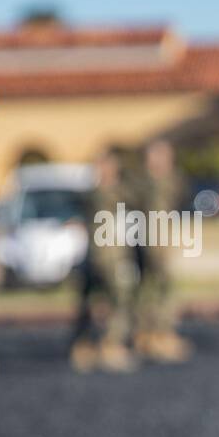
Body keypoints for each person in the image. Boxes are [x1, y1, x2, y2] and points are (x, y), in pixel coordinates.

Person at [70, 147, 136, 373]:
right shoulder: (100, 193)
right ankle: (107, 345)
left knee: (102, 299)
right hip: (104, 256)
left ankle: (93, 344)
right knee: (113, 298)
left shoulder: (110, 192)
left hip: (110, 253)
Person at [132, 139, 191, 363]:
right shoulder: (142, 182)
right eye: (155, 156)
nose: (159, 161)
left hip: (163, 239)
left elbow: (179, 201)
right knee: (149, 289)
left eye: (164, 156)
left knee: (164, 288)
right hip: (146, 240)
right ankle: (147, 335)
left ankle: (163, 334)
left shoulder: (174, 179)